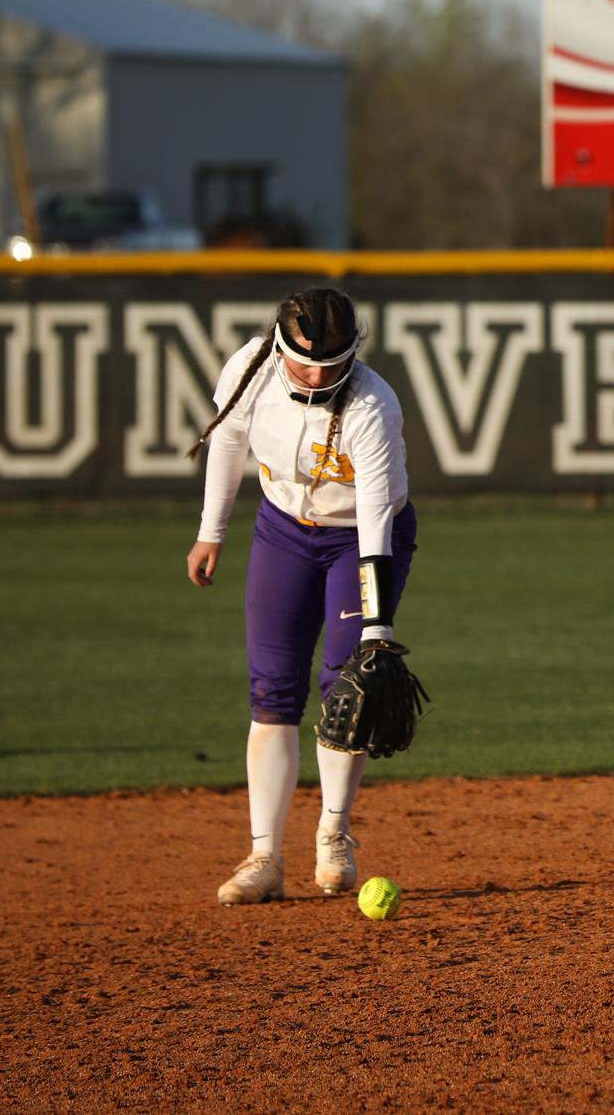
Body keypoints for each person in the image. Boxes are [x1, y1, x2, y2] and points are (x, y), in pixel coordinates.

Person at [185, 287, 417, 905]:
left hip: (360, 540)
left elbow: (374, 520)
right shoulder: (251, 369)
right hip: (283, 528)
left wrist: (377, 623)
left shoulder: (373, 405)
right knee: (271, 690)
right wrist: (212, 533)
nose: (318, 373)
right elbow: (228, 444)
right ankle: (264, 856)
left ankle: (334, 834)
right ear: (281, 344)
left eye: (332, 361)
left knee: (348, 684)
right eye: (305, 360)